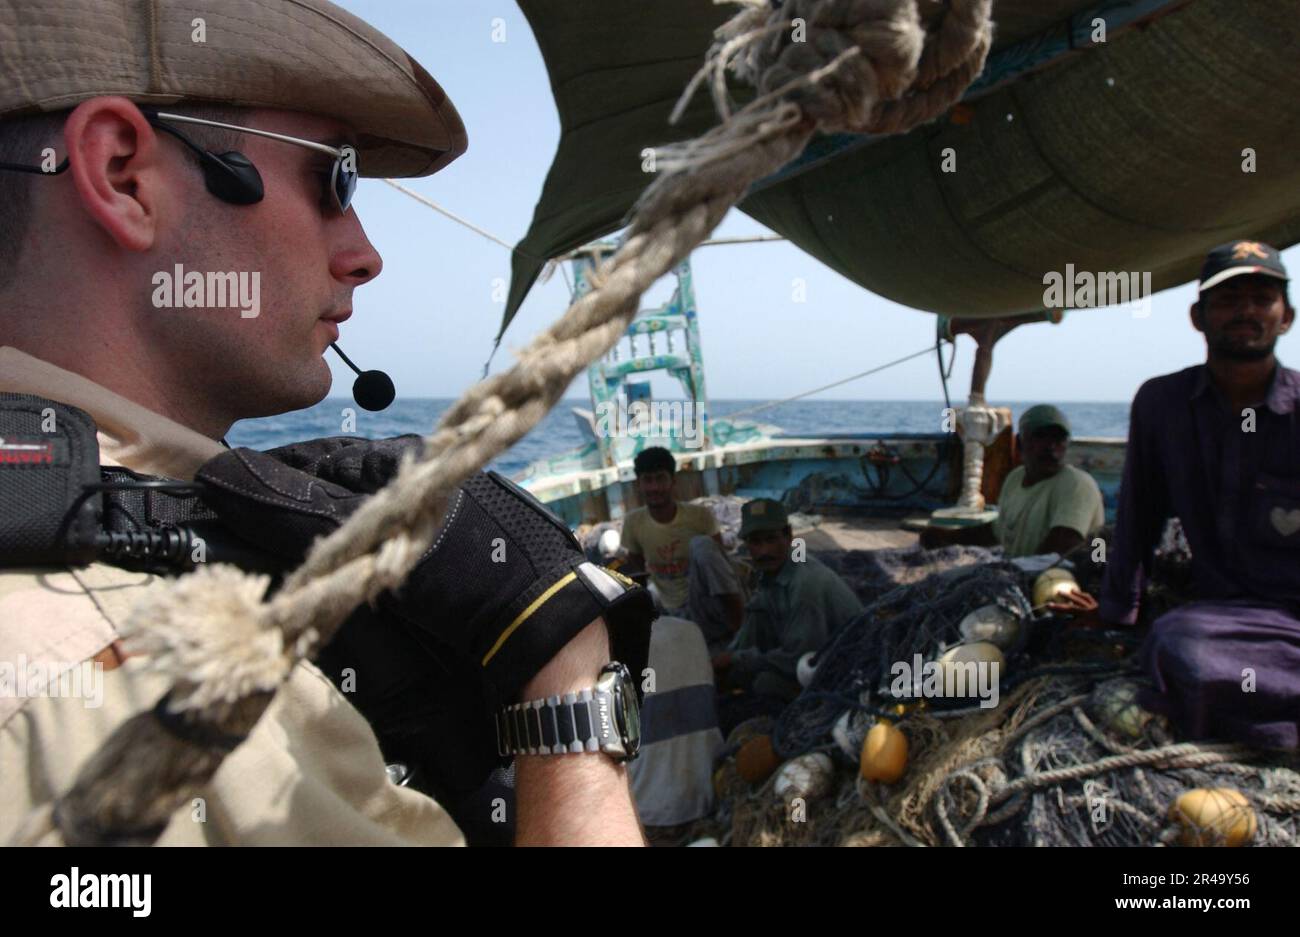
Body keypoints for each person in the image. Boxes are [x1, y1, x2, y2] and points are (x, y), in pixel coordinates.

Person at [0, 0, 649, 846]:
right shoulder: (142, 680)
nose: (365, 251)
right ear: (123, 173)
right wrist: (565, 686)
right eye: (333, 178)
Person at [1087, 241, 1299, 750]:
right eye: (1228, 299)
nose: (1246, 311)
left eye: (1261, 298)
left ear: (1286, 317)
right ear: (1198, 317)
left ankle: (1262, 724)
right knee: (1175, 645)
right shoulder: (1162, 404)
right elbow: (1138, 516)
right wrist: (1115, 612)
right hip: (1222, 622)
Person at [712, 499, 863, 733]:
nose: (764, 551)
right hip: (809, 653)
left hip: (848, 671)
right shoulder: (773, 573)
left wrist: (736, 660)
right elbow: (755, 620)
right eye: (755, 542)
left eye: (771, 539)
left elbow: (800, 660)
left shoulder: (805, 586)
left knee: (765, 683)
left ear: (789, 535)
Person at [621, 446, 744, 652]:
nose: (654, 487)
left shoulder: (700, 516)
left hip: (705, 603)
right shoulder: (633, 522)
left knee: (702, 545)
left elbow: (722, 567)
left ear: (673, 481)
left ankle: (740, 630)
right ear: (639, 485)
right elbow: (636, 573)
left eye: (660, 479)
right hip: (668, 610)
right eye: (647, 480)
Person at [994, 405, 1105, 559]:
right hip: (1021, 571)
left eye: (1058, 439)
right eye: (1040, 436)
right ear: (1019, 443)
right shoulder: (1014, 478)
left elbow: (1058, 551)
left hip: (1064, 578)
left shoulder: (1076, 484)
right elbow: (997, 533)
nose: (1051, 447)